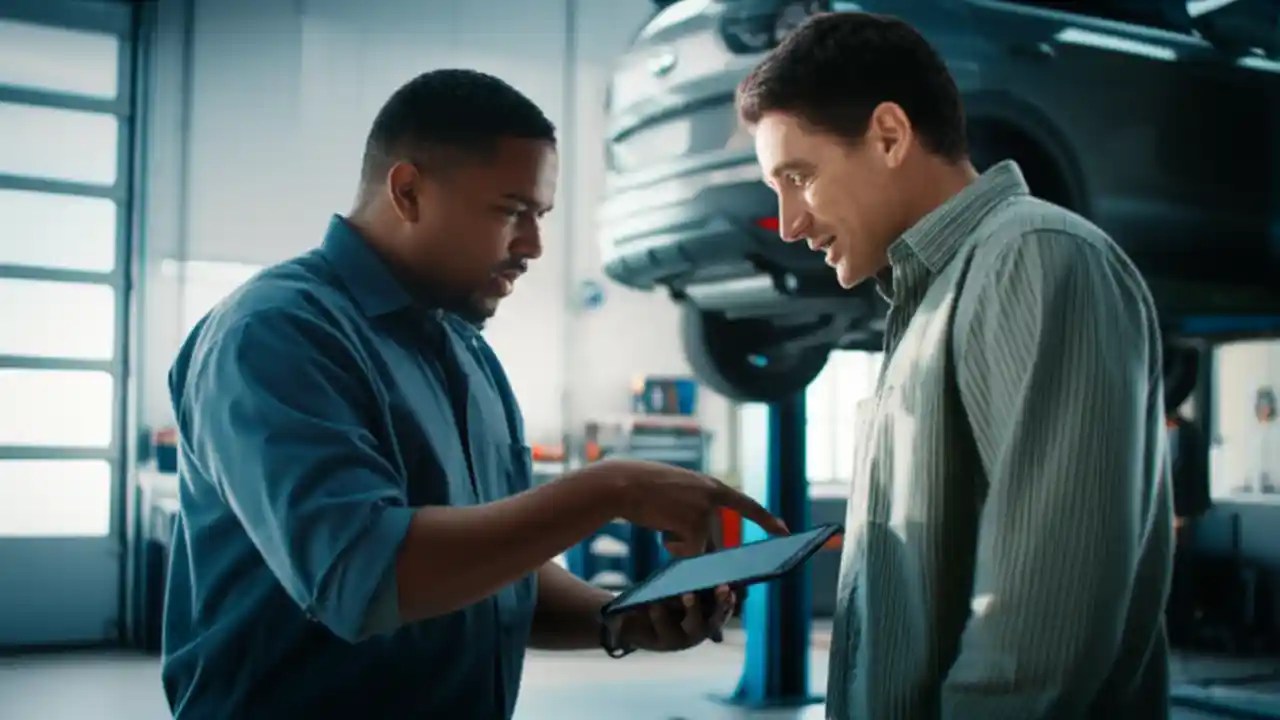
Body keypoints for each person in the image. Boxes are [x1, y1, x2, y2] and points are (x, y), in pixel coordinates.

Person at [161, 69, 787, 719]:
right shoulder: (276, 335)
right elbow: (364, 578)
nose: (533, 246)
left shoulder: (467, 353)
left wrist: (617, 619)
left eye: (539, 216)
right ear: (408, 191)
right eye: (511, 211)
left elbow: (494, 570)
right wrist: (612, 489)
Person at [736, 12, 1172, 719]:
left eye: (800, 176)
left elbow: (1041, 635)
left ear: (889, 135)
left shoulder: (1034, 260)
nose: (788, 223)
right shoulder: (930, 299)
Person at [1162, 341, 1210, 645]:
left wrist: (1180, 515)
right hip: (1177, 513)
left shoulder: (1185, 433)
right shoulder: (1182, 432)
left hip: (1178, 513)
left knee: (1179, 572)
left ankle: (1179, 628)